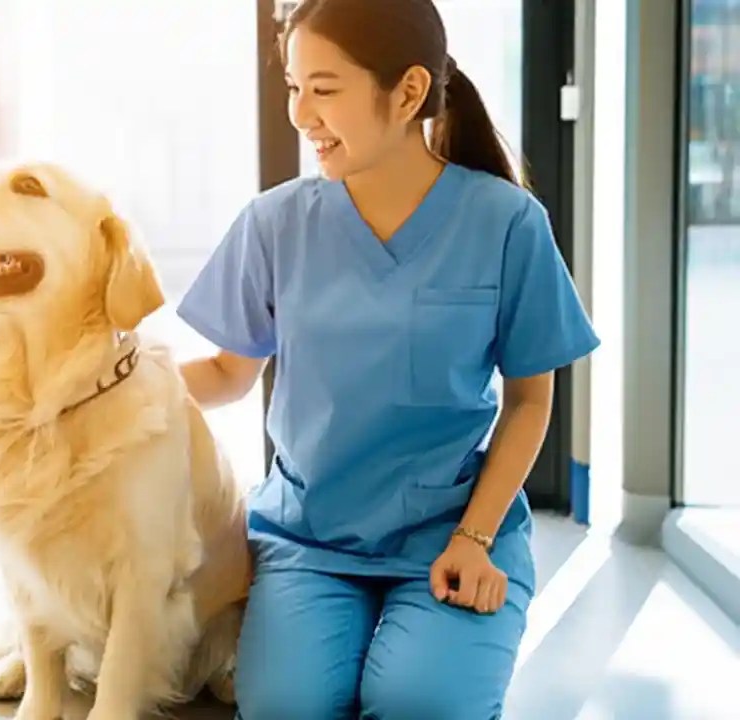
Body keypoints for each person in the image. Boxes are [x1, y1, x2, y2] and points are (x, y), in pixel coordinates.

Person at [177, 0, 601, 718]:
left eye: (325, 88)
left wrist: (476, 538)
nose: (301, 114)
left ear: (406, 92)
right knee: (285, 707)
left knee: (418, 702)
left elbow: (531, 401)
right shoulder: (275, 224)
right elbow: (227, 373)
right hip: (310, 536)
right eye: (292, 87)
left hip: (454, 531)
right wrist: (108, 388)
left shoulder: (506, 222)